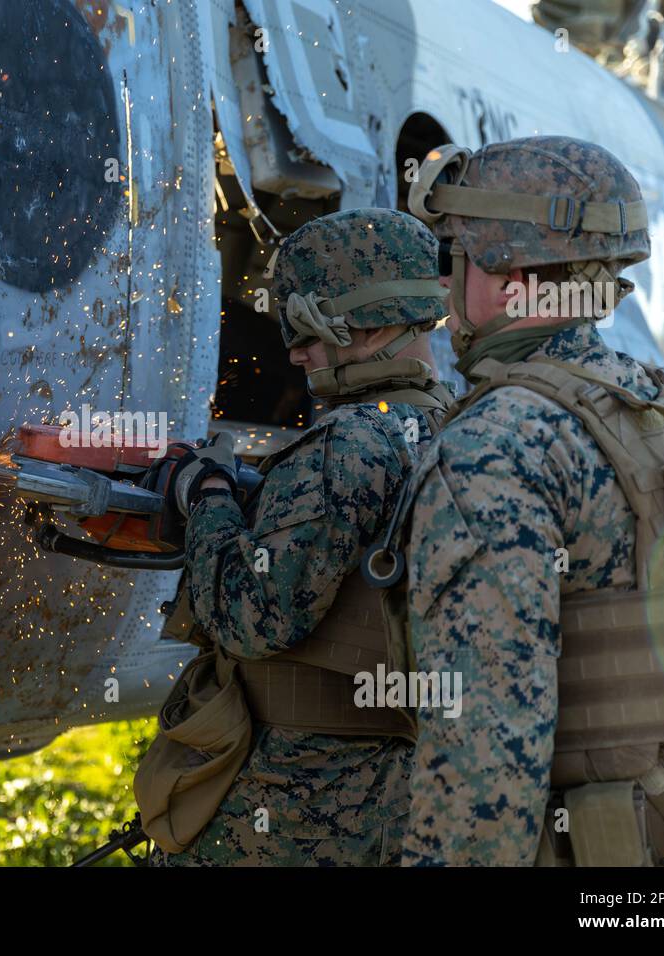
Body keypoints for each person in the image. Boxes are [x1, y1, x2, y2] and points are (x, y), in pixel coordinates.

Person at [397, 135, 664, 866]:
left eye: (452, 259)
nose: (443, 291)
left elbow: (486, 751)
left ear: (502, 269)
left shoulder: (496, 445)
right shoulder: (663, 405)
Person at [142, 207, 453, 866]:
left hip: (297, 805)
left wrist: (208, 499)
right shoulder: (451, 429)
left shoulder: (349, 442)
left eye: (305, 328)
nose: (295, 353)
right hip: (399, 789)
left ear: (366, 324)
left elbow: (253, 617)